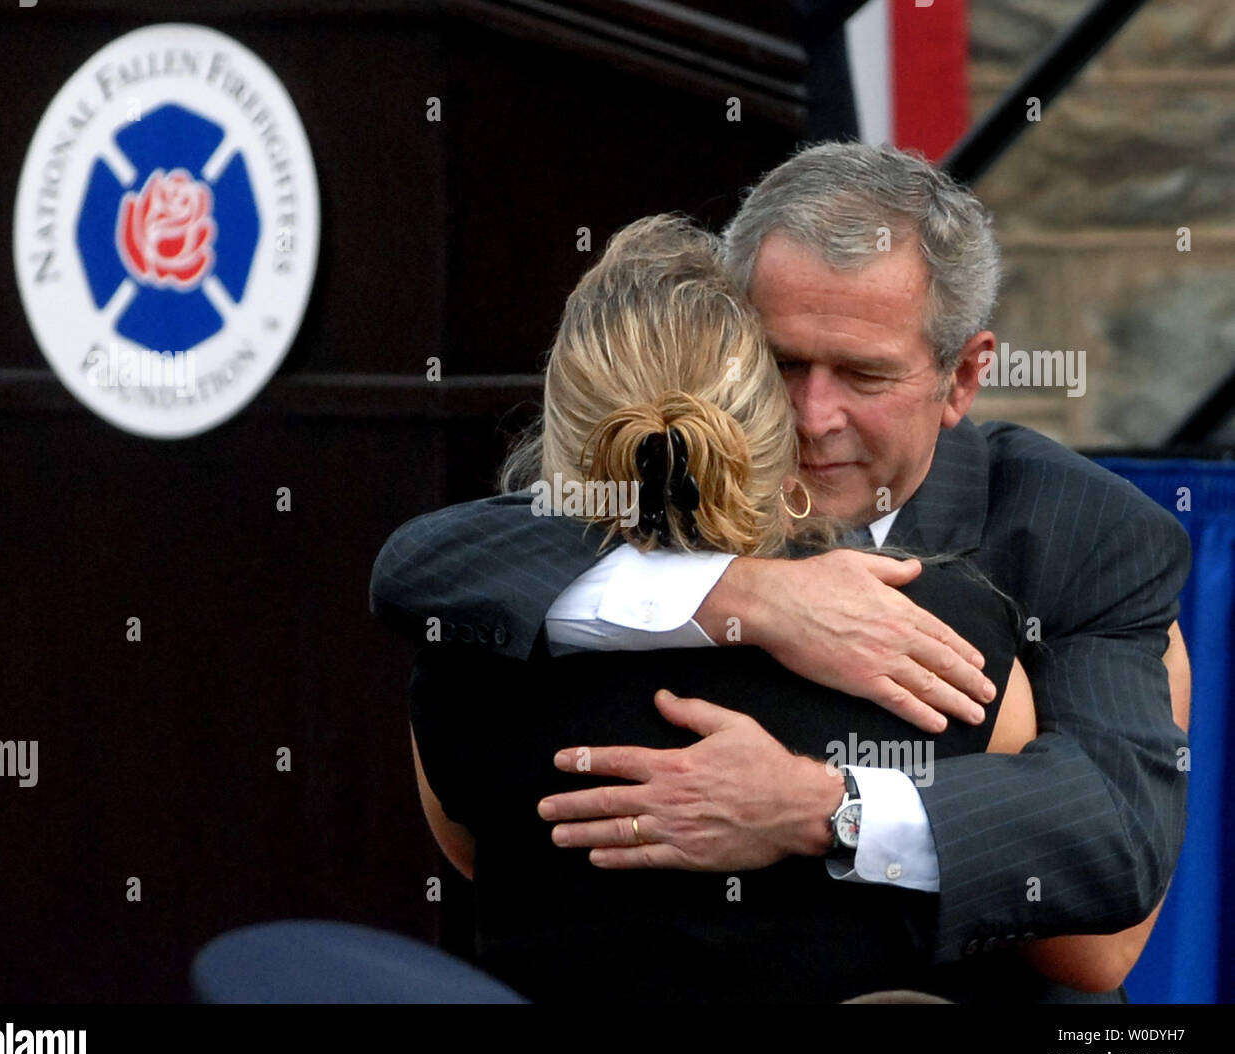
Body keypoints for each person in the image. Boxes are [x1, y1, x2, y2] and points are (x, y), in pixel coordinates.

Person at [372, 143, 1192, 1001]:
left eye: (865, 374)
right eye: (783, 361)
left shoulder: (1083, 532)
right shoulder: (646, 480)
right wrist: (750, 598)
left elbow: (1114, 848)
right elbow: (427, 562)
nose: (812, 416)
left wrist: (818, 808)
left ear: (963, 376)